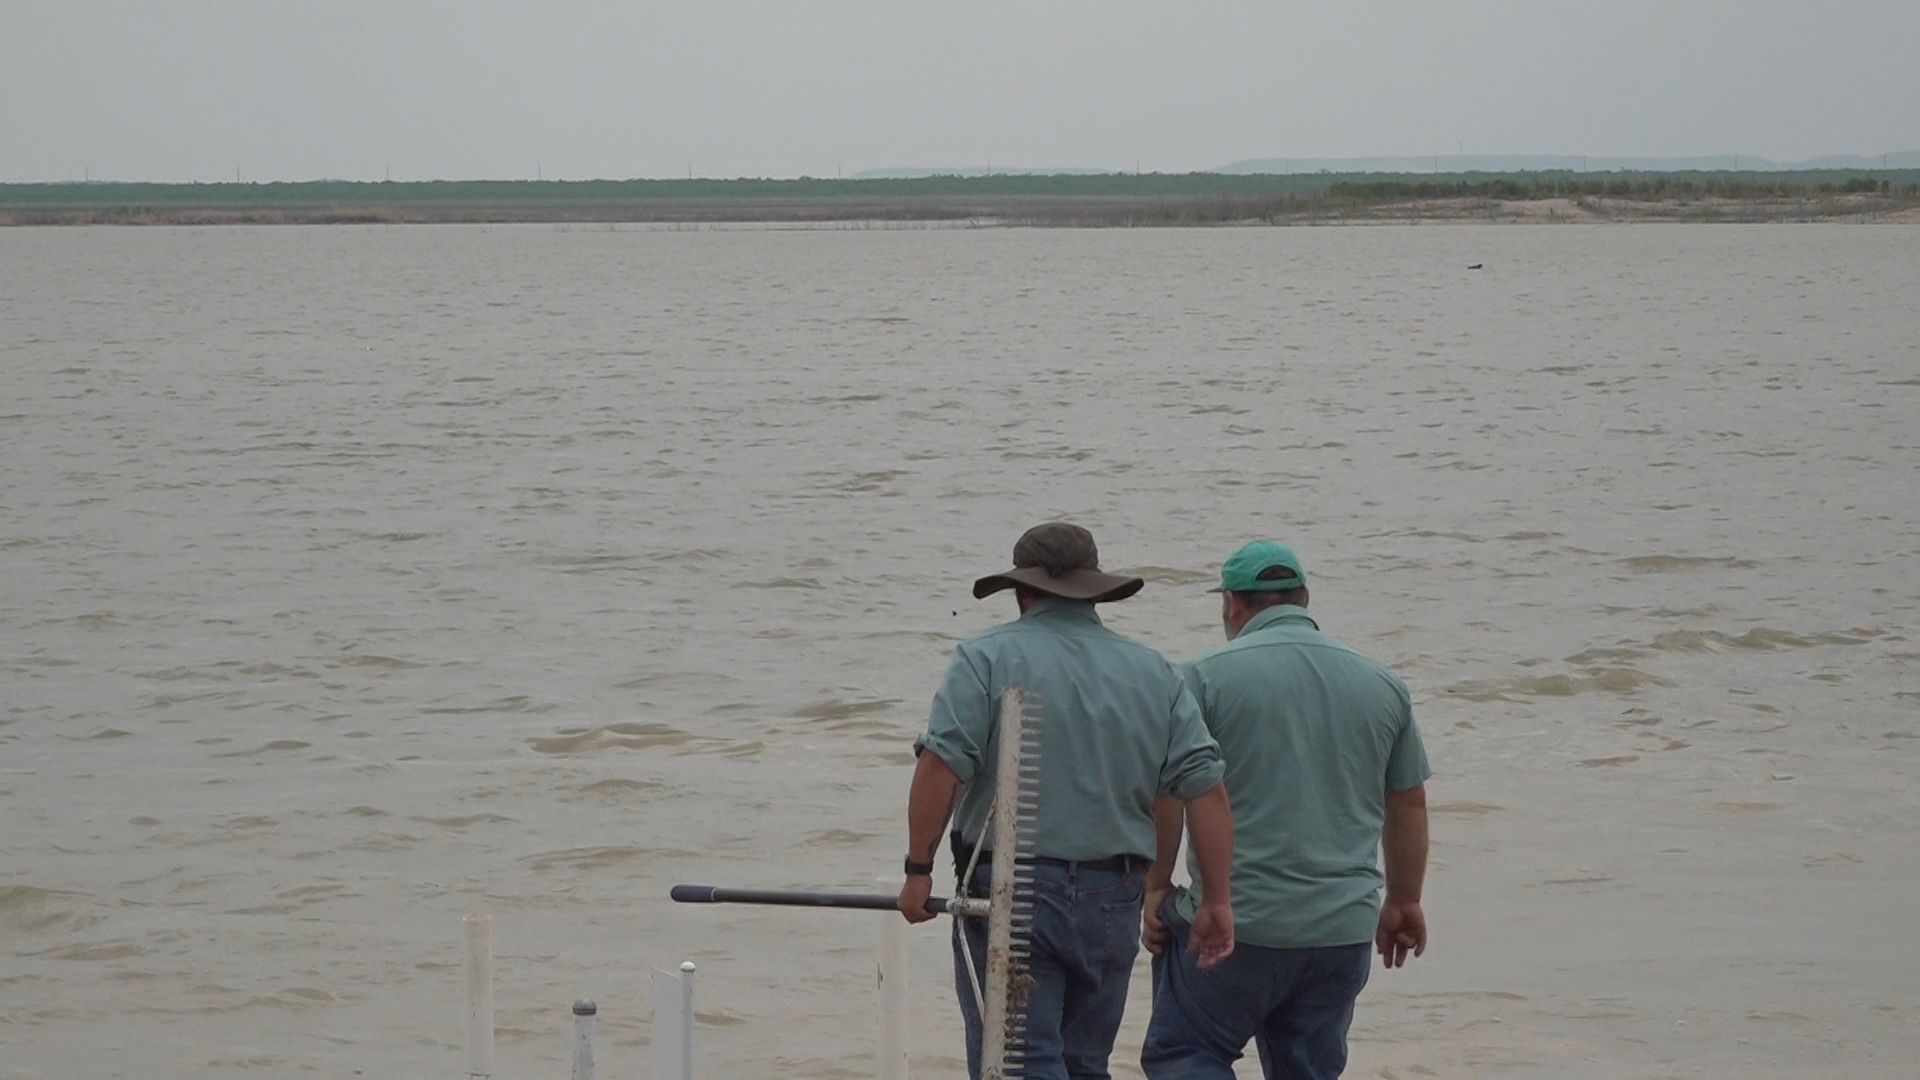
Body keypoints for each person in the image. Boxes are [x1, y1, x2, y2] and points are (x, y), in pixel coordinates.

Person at [898, 522, 1237, 1080]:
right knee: (1083, 1064)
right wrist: (1217, 900)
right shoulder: (1153, 672)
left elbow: (941, 766)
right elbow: (1204, 787)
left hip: (1014, 891)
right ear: (1093, 591)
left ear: (1022, 592)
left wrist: (917, 869)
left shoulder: (984, 657)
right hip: (1113, 897)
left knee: (1018, 1066)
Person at [1141, 540, 1431, 1080]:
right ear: (1304, 600)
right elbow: (1408, 801)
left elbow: (1169, 795)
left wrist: (1156, 887)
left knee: (1185, 1055)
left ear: (1233, 604)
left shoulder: (1201, 677)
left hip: (1236, 929)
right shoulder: (1383, 684)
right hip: (1341, 930)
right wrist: (1404, 900)